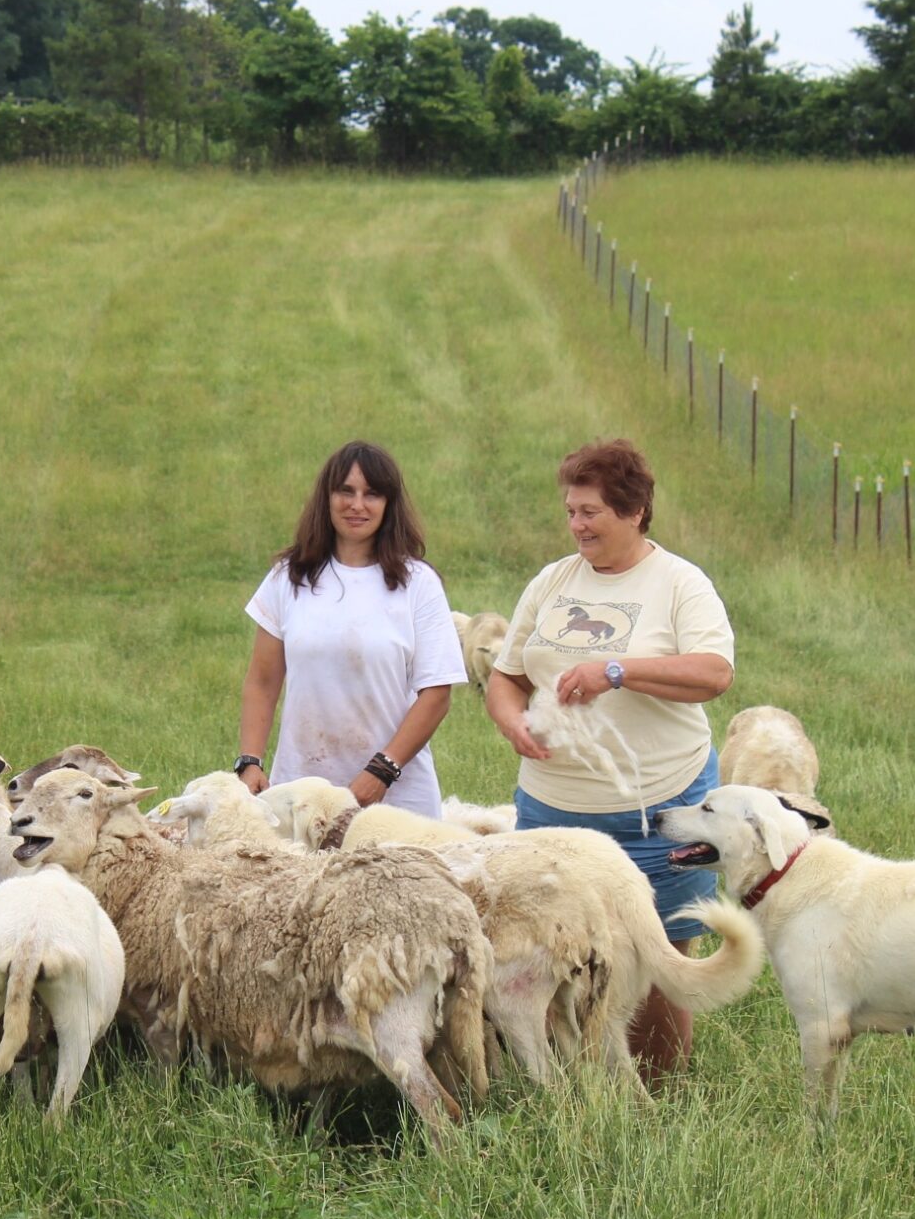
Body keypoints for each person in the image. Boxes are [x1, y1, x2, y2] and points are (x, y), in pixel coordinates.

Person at [484, 438, 735, 1084]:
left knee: (657, 958)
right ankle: (567, 1086)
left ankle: (662, 1094)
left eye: (591, 511)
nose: (577, 525)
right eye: (571, 511)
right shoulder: (553, 581)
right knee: (548, 955)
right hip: (553, 815)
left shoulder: (680, 583)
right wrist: (512, 720)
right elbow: (506, 677)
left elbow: (713, 672)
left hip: (658, 815)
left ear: (636, 510)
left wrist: (617, 669)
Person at [236, 441, 464, 820]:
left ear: (389, 505)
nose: (357, 505)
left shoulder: (418, 584)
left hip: (397, 802)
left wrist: (382, 771)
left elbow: (437, 693)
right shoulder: (288, 579)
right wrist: (249, 762)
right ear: (327, 498)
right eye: (346, 491)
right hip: (300, 796)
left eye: (372, 494)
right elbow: (262, 681)